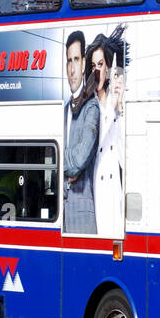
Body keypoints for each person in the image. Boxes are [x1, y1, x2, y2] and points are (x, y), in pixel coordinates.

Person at [93, 26, 128, 238]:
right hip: (94, 188)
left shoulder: (118, 106)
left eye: (100, 64)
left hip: (113, 189)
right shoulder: (87, 106)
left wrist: (120, 107)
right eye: (92, 66)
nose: (96, 70)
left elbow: (125, 160)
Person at [64, 30, 99, 233]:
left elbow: (80, 158)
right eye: (69, 61)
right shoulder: (63, 111)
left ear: (84, 63)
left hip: (82, 218)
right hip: (60, 215)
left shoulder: (91, 107)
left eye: (76, 60)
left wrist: (59, 162)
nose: (72, 69)